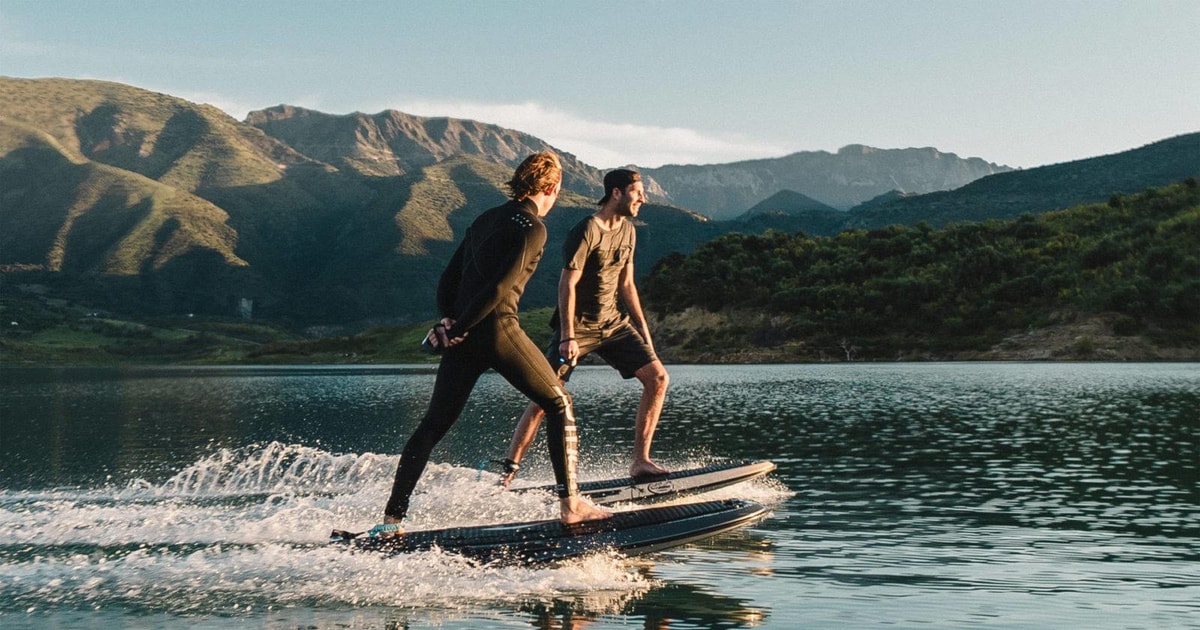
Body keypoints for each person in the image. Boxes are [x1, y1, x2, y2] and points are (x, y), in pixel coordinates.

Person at [374, 151, 611, 536]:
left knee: (433, 424)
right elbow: (500, 288)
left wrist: (449, 323)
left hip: (463, 336)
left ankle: (390, 522)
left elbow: (448, 279)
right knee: (558, 403)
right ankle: (572, 506)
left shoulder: (485, 219)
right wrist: (463, 325)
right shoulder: (533, 227)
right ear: (552, 188)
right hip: (498, 329)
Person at [499, 168, 670, 488]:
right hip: (578, 328)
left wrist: (644, 331)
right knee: (546, 397)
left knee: (658, 378)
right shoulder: (587, 229)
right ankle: (508, 474)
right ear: (616, 193)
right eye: (637, 192)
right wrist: (567, 336)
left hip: (614, 324)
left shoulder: (629, 231)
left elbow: (627, 285)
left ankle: (640, 461)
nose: (643, 199)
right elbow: (568, 283)